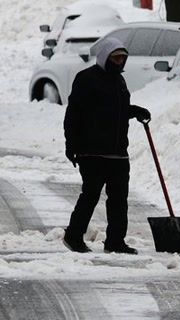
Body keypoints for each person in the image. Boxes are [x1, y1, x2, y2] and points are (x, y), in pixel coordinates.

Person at [62, 36, 151, 254]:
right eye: (115, 58)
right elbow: (74, 114)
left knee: (119, 199)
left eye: (122, 58)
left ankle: (115, 241)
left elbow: (115, 110)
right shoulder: (86, 79)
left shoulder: (119, 81)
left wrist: (134, 111)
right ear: (104, 57)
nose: (119, 62)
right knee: (90, 195)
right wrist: (71, 144)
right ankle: (73, 236)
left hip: (118, 152)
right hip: (92, 151)